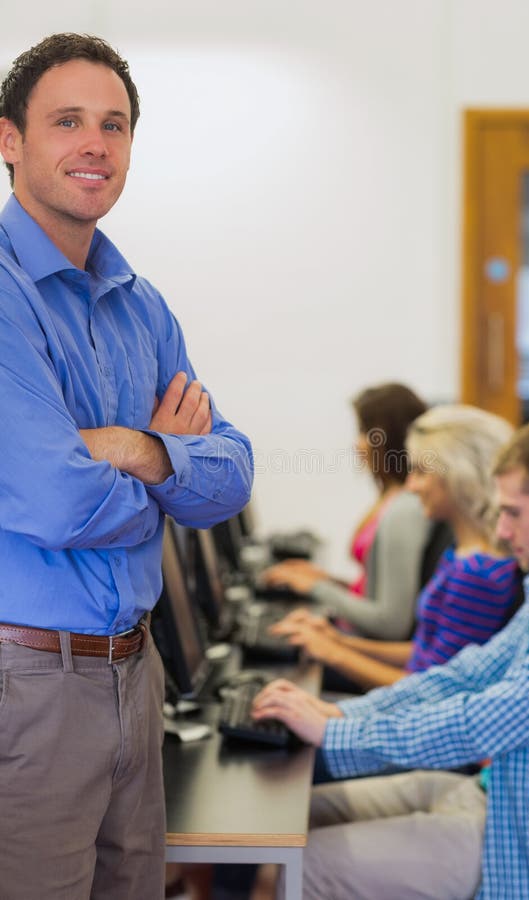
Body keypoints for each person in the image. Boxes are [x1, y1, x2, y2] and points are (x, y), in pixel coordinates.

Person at [0, 33, 253, 900]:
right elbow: (55, 499)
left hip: (133, 676)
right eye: (66, 121)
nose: (94, 145)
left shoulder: (141, 305)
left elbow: (232, 478)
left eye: (113, 125)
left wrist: (137, 448)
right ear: (9, 140)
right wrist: (168, 481)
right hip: (28, 687)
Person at [252, 414, 529, 899]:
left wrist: (338, 733)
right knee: (297, 821)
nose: (501, 530)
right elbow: (464, 675)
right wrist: (341, 712)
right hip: (494, 798)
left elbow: (476, 723)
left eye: (513, 512)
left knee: (307, 862)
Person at [270, 405, 520, 691]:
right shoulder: (460, 552)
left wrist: (334, 653)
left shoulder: (477, 573)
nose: (411, 486)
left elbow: (430, 688)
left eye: (421, 472)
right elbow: (425, 653)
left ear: (458, 477)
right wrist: (339, 640)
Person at [263, 382, 436, 640]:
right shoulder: (391, 497)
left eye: (365, 432)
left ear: (388, 437)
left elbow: (390, 623)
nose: (358, 444)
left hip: (366, 649)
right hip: (354, 637)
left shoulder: (405, 511)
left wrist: (317, 587)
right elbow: (373, 593)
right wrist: (327, 580)